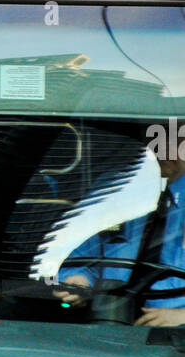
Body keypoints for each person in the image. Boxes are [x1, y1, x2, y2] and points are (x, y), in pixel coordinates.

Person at [58, 140, 185, 326]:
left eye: (177, 140)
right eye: (159, 138)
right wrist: (78, 281)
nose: (166, 148)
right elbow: (80, 250)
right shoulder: (114, 188)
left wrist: (182, 316)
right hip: (107, 319)